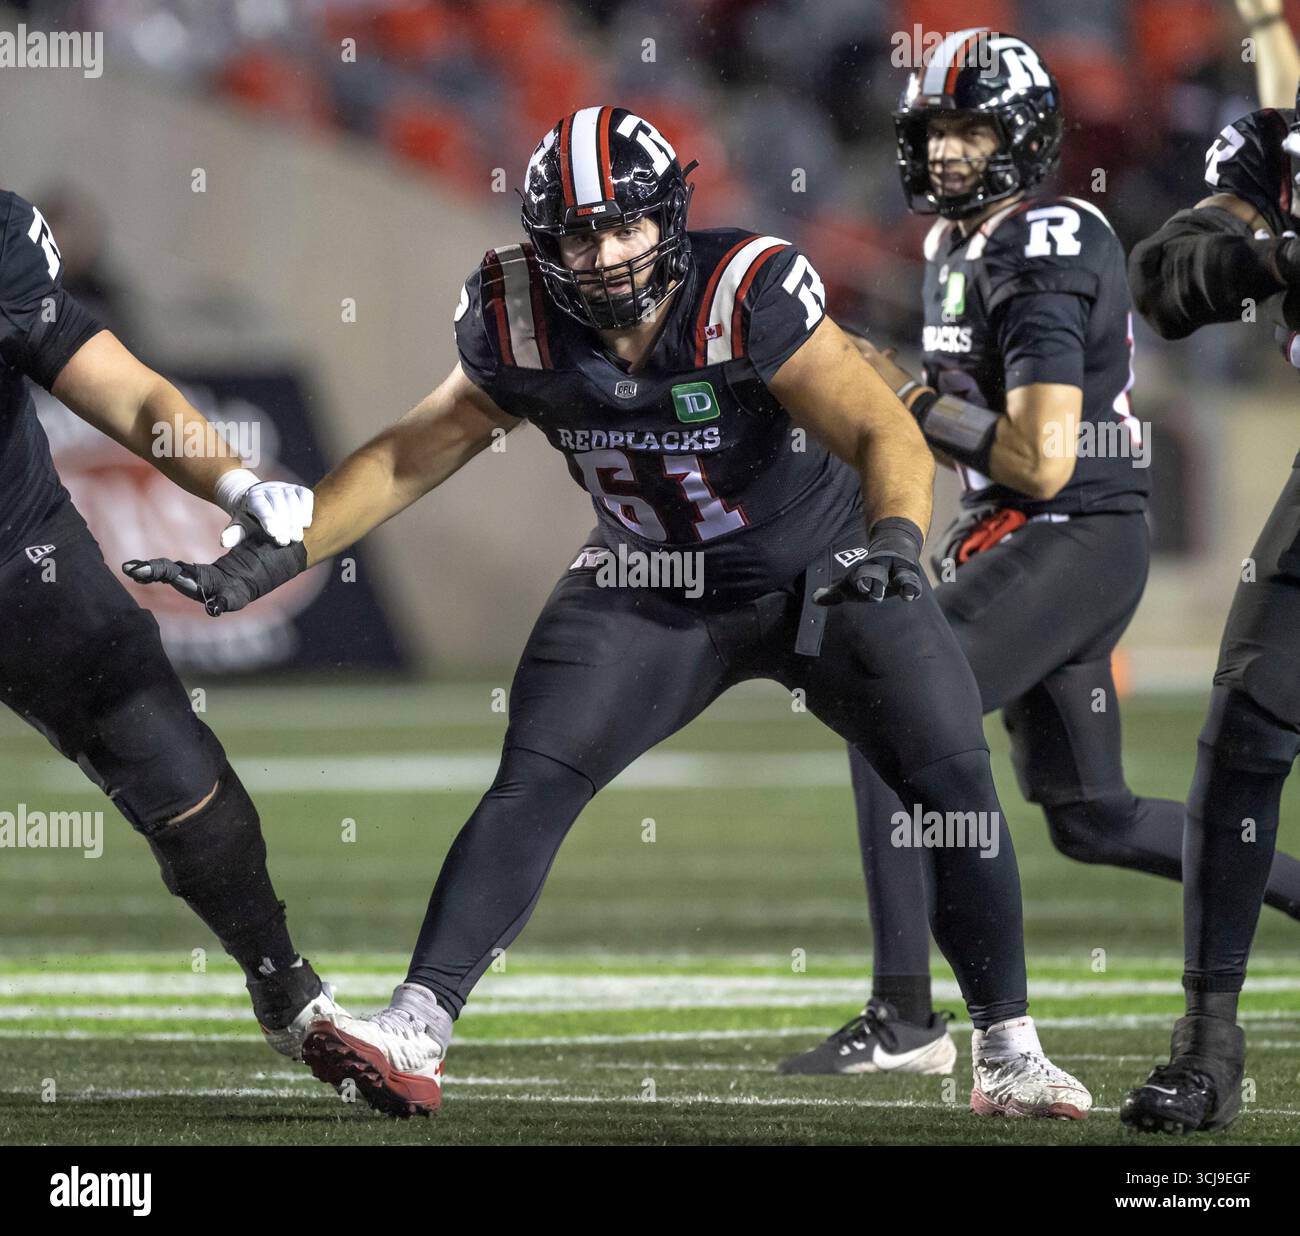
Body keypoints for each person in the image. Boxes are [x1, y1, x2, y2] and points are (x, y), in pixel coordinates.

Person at [127, 105, 1091, 1121]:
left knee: (950, 775)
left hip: (824, 566)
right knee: (534, 776)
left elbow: (878, 427)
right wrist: (282, 551)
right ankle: (417, 1025)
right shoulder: (514, 314)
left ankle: (1008, 1049)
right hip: (650, 583)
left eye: (624, 225)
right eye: (579, 234)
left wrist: (896, 540)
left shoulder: (743, 290)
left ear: (669, 217)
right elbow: (417, 450)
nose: (604, 255)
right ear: (542, 242)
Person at [780, 27, 1300, 1079]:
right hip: (1027, 537)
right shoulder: (948, 245)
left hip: (1072, 532)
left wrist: (906, 398)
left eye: (972, 130)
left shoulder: (1047, 236)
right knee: (1088, 817)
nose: (949, 153)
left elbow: (1041, 459)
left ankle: (906, 1016)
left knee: (889, 699)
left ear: (1020, 137)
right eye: (934, 132)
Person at [0, 186, 341, 1059]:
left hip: (16, 548)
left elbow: (124, 389)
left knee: (172, 767)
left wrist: (236, 484)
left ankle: (283, 986)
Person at [1118, 59, 1300, 1131]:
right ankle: (1207, 1049)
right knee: (1244, 727)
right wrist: (1275, 252)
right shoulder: (1279, 146)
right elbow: (1165, 279)